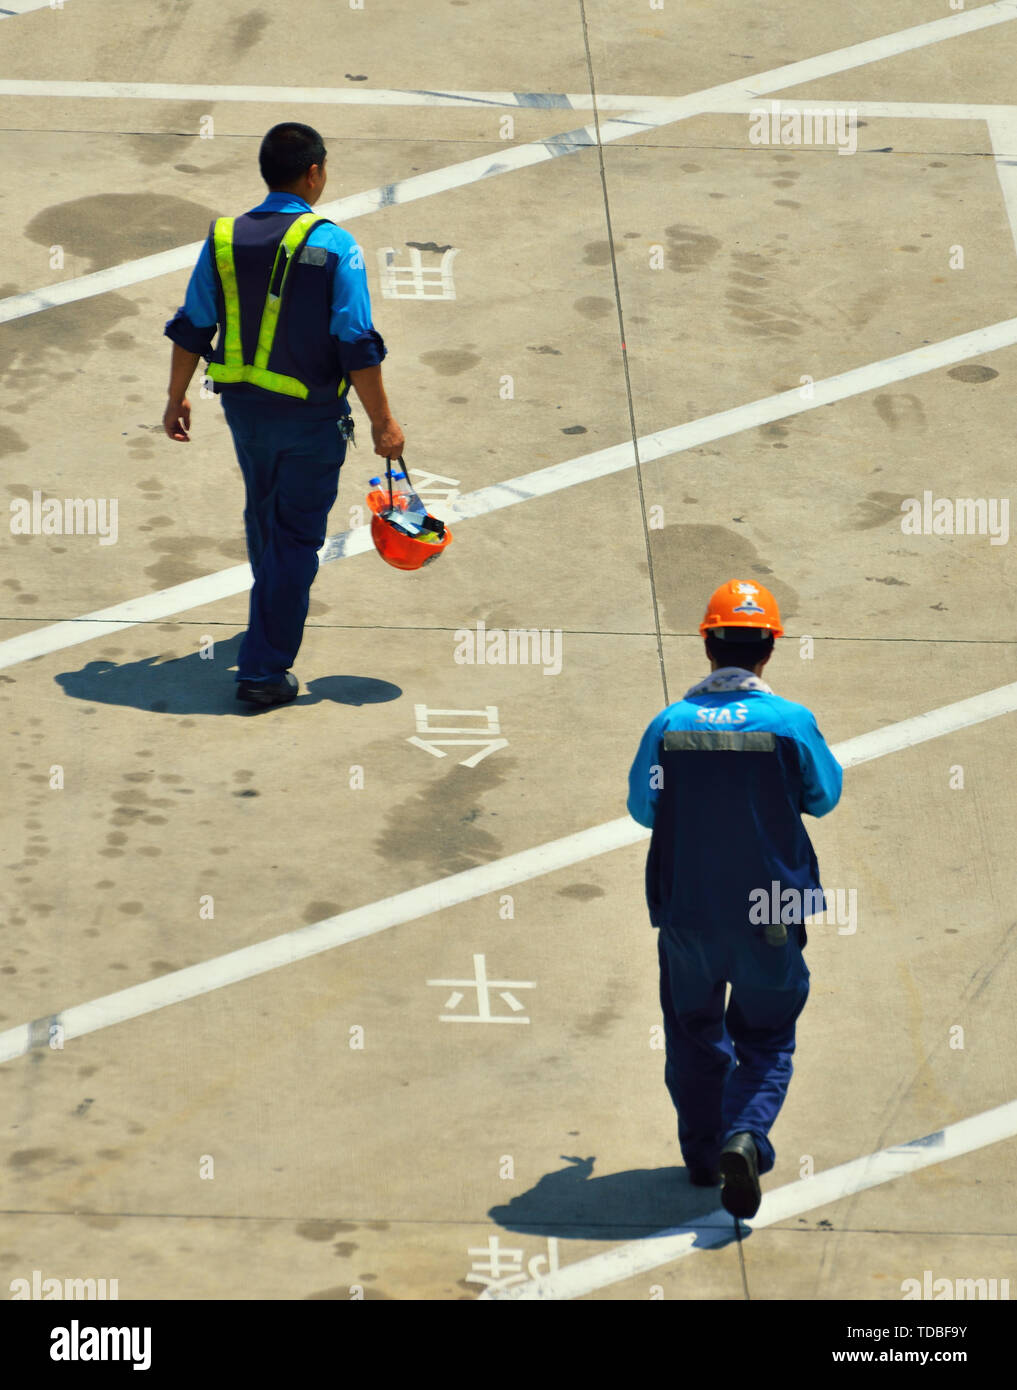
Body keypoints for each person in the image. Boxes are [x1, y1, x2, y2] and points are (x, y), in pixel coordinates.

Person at [162, 121, 404, 706]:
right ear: (314, 172)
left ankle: (267, 613)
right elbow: (355, 342)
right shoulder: (335, 246)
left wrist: (175, 397)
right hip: (310, 419)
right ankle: (264, 672)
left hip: (245, 412)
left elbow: (194, 324)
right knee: (295, 537)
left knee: (264, 514)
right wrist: (382, 421)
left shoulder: (224, 237)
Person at [627, 579, 843, 1218]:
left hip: (689, 909)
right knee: (769, 1035)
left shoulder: (669, 725)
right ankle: (744, 1135)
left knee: (693, 1034)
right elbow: (823, 797)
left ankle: (702, 1160)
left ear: (707, 646)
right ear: (769, 649)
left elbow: (645, 807)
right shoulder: (790, 723)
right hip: (771, 909)